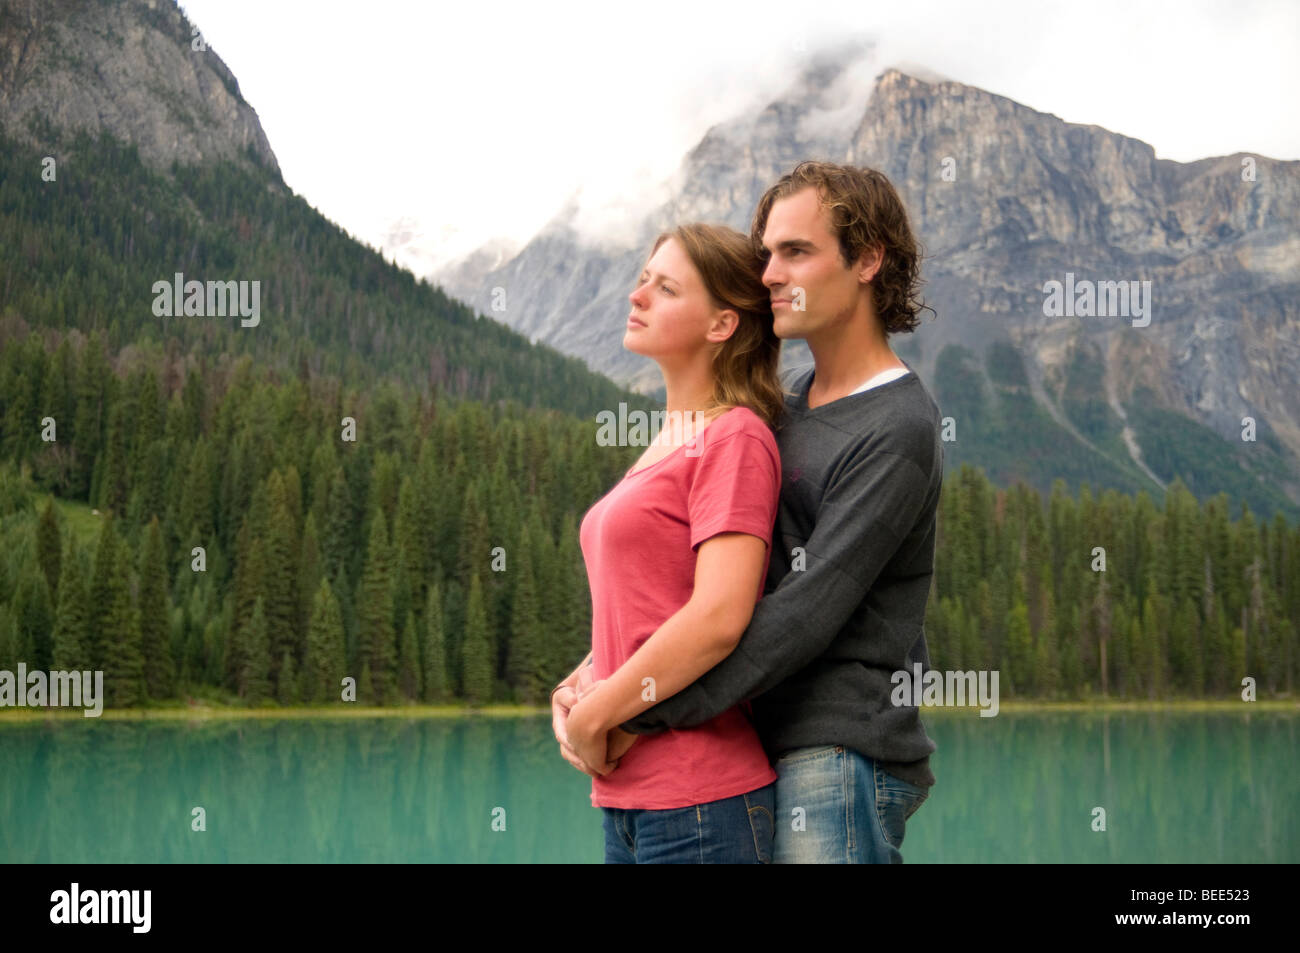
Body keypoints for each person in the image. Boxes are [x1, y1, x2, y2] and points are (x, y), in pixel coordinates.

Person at [566, 161, 944, 864]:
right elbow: (711, 576)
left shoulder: (899, 425)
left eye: (795, 251)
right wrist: (605, 671)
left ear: (867, 260)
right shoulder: (787, 404)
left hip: (839, 750)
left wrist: (636, 707)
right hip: (762, 741)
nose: (769, 272)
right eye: (767, 252)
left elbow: (799, 613)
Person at [550, 222, 786, 863]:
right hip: (630, 807)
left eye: (665, 287)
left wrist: (597, 718)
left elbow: (717, 617)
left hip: (702, 803)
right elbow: (651, 606)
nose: (638, 296)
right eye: (642, 280)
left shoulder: (734, 437)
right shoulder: (667, 442)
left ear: (721, 325)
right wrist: (577, 687)